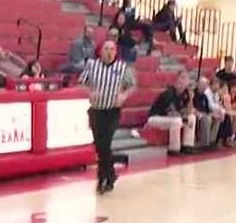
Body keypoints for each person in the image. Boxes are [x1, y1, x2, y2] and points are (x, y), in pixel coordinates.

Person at [79, 40, 136, 194]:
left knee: (105, 143)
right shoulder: (92, 65)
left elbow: (132, 85)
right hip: (96, 110)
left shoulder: (122, 67)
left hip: (112, 111)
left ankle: (102, 177)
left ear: (116, 51)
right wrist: (89, 92)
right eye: (106, 49)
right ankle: (110, 174)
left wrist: (123, 95)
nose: (109, 51)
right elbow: (81, 83)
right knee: (100, 145)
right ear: (101, 51)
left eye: (112, 49)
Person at [147, 72, 197, 156]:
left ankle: (187, 146)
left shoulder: (184, 94)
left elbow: (188, 112)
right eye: (182, 78)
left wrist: (191, 98)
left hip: (169, 118)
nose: (185, 82)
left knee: (192, 117)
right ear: (177, 80)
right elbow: (171, 113)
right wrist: (184, 118)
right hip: (155, 118)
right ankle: (174, 149)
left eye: (186, 79)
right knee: (177, 121)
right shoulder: (169, 93)